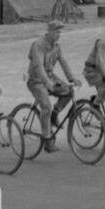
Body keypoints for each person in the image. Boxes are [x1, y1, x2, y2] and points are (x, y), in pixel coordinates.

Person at [27, 20, 79, 153]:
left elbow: (63, 62)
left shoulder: (57, 45)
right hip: (36, 80)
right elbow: (38, 67)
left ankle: (55, 114)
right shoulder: (38, 45)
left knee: (69, 91)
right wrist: (47, 83)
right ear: (49, 31)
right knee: (46, 107)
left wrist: (71, 78)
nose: (59, 34)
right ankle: (47, 140)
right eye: (56, 31)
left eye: (60, 32)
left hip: (50, 77)